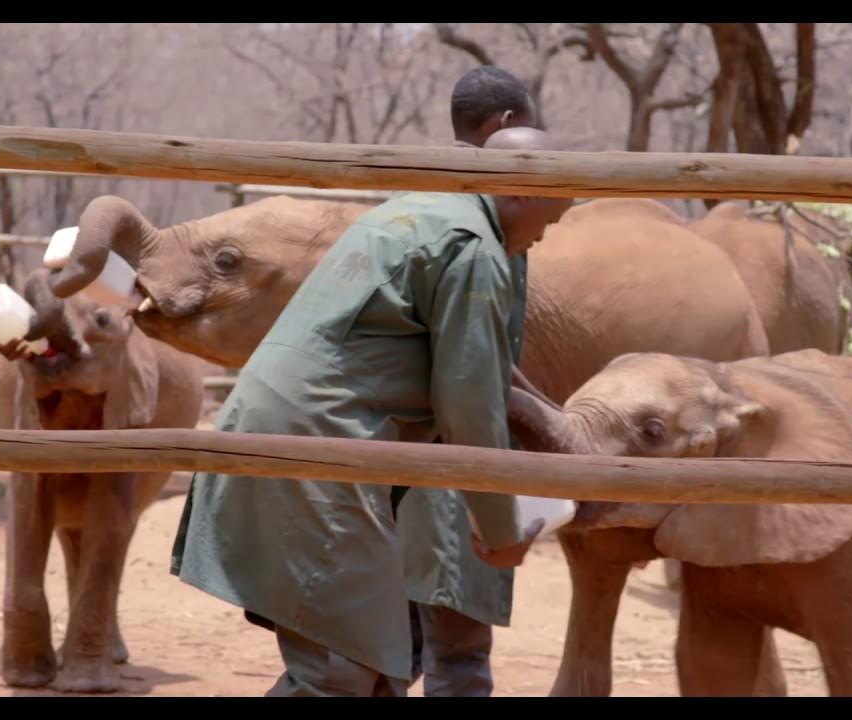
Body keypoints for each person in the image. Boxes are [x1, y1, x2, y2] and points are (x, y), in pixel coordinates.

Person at [164, 126, 574, 697]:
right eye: (549, 221)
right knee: (339, 671)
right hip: (322, 448)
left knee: (378, 667)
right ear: (522, 194)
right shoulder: (472, 245)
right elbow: (469, 404)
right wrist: (500, 529)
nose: (539, 240)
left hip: (293, 434)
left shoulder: (415, 211)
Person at [397, 65, 540, 698]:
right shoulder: (492, 218)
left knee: (387, 649)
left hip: (387, 462)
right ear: (507, 126)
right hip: (451, 461)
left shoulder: (412, 195)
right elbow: (470, 380)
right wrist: (498, 515)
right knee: (458, 658)